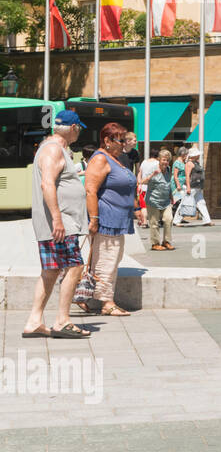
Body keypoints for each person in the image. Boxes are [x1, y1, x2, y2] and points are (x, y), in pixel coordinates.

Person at [23, 110, 92, 338]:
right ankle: (62, 320)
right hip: (61, 224)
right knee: (74, 266)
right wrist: (58, 219)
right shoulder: (53, 149)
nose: (79, 132)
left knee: (51, 271)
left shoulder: (54, 148)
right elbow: (47, 185)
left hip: (57, 223)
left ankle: (34, 321)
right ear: (73, 128)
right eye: (78, 128)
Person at [83, 122, 136, 317]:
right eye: (120, 140)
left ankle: (83, 297)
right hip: (106, 219)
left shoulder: (116, 159)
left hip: (118, 220)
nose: (124, 144)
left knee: (112, 260)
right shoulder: (100, 159)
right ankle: (107, 303)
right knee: (106, 261)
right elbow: (90, 190)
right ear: (107, 140)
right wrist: (94, 219)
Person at [144, 149, 176, 251]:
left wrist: (171, 196)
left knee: (168, 219)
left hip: (165, 201)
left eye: (167, 160)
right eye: (164, 160)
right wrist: (152, 175)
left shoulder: (168, 169)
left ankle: (166, 241)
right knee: (154, 223)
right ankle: (155, 243)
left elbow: (168, 184)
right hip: (153, 200)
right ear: (159, 160)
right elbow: (142, 181)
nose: (165, 162)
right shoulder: (153, 169)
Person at [182, 146, 213, 226]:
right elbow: (187, 176)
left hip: (197, 187)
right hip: (191, 186)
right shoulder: (189, 163)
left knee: (201, 203)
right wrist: (188, 187)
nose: (199, 155)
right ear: (194, 155)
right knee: (184, 203)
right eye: (197, 154)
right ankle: (176, 220)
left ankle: (207, 220)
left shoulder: (196, 163)